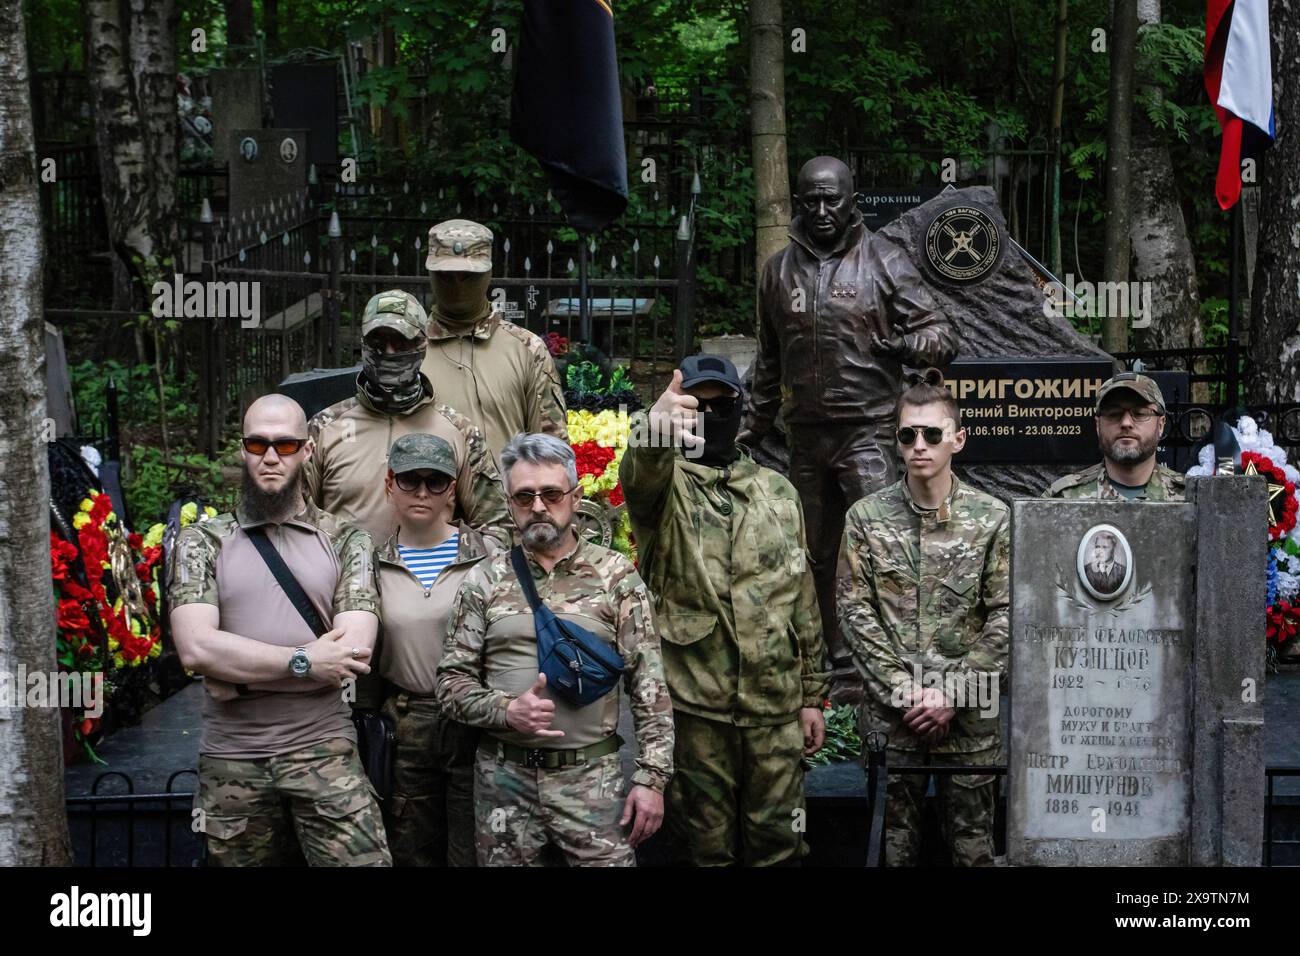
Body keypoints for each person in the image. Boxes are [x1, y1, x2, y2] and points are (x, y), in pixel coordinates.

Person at [741, 156, 958, 700]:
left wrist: (903, 344)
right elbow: (768, 363)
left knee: (881, 548)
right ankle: (827, 663)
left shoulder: (884, 260)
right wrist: (746, 430)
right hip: (806, 438)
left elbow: (940, 333)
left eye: (830, 199)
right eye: (809, 199)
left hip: (869, 432)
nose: (819, 210)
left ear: (851, 198)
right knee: (811, 551)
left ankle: (888, 662)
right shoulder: (777, 271)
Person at [619, 353, 829, 866]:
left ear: (740, 408)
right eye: (698, 405)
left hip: (774, 711)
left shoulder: (777, 492)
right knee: (704, 852)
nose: (711, 415)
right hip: (698, 713)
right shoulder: (668, 490)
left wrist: (812, 693)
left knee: (781, 847)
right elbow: (640, 477)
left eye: (723, 404)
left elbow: (800, 595)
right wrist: (655, 429)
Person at [168, 394, 390, 867]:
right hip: (232, 761)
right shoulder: (201, 542)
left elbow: (350, 654)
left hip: (323, 751)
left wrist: (235, 677)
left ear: (307, 451)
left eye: (286, 445)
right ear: (243, 450)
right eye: (258, 444)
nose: (271, 457)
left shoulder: (348, 539)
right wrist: (305, 662)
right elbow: (195, 648)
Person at [436, 433, 674, 866]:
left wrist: (651, 780)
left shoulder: (615, 576)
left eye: (550, 493)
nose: (539, 506)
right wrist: (505, 710)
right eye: (524, 496)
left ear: (576, 496)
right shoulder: (484, 580)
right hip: (504, 783)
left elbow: (650, 686)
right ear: (509, 503)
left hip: (592, 782)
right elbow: (450, 684)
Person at [837, 371, 1008, 867]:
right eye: (907, 434)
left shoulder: (993, 518)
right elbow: (854, 610)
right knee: (892, 854)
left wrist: (951, 695)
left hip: (970, 725)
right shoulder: (866, 519)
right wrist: (905, 693)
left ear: (957, 438)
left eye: (932, 434)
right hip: (896, 724)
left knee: (974, 853)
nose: (919, 445)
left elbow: (1006, 618)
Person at [305, 289, 511, 549]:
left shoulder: (458, 431)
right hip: (343, 583)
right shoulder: (325, 427)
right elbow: (295, 519)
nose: (389, 353)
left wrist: (456, 574)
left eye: (401, 343)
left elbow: (496, 527)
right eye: (378, 343)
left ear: (422, 345)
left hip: (430, 583)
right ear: (363, 345)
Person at [375, 433, 489, 867]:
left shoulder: (487, 556)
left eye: (436, 482)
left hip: (474, 719)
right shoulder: (371, 563)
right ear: (390, 485)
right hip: (408, 720)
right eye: (410, 480)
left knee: (473, 846)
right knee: (410, 847)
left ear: (453, 489)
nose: (422, 492)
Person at [420, 219, 568, 463]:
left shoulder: (527, 350)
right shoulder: (406, 351)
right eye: (446, 275)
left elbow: (550, 450)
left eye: (468, 276)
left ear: (488, 273)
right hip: (425, 497)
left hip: (506, 498)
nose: (457, 285)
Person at [1045, 372, 1185, 501]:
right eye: (1113, 413)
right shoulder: (1063, 498)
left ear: (1160, 425)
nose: (1126, 423)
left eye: (1140, 413)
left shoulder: (1190, 497)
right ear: (1098, 426)